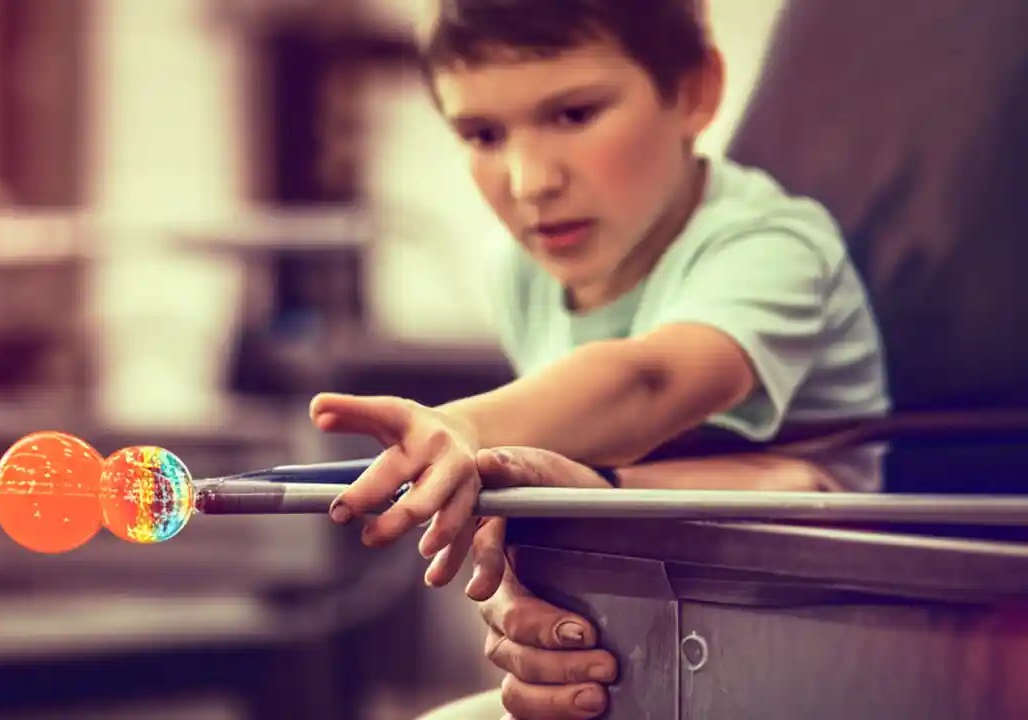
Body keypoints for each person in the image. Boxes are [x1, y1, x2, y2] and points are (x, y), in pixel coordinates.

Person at [308, 0, 891, 715]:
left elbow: (648, 383)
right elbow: (568, 485)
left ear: (694, 91)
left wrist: (465, 426)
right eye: (484, 134)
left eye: (574, 114)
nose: (530, 181)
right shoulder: (521, 272)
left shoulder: (771, 246)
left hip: (818, 643)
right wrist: (523, 596)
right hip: (648, 644)